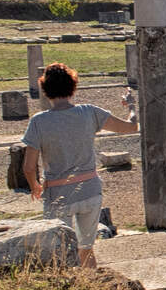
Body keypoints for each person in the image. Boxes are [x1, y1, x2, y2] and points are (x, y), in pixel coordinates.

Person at [21, 62, 137, 267]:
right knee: (86, 248)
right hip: (90, 190)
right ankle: (92, 289)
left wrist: (34, 186)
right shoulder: (89, 112)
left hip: (58, 194)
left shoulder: (39, 122)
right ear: (73, 87)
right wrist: (131, 105)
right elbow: (130, 127)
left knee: (61, 253)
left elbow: (29, 167)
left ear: (45, 89)